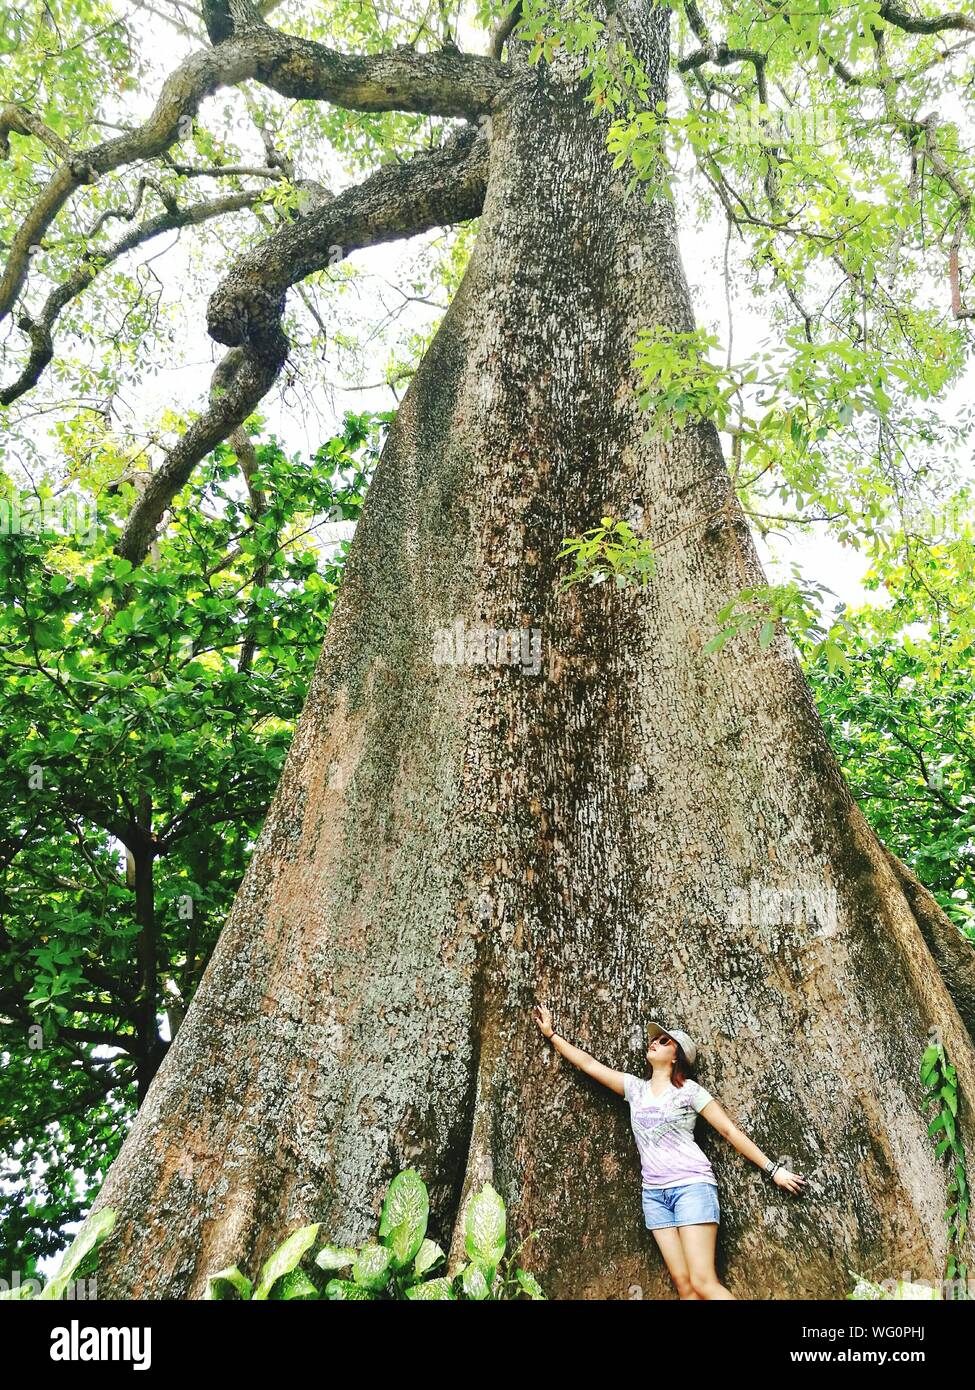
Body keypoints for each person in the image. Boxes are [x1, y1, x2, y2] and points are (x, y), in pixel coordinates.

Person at [534, 1004, 806, 1299]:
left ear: (677, 1056)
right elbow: (589, 1065)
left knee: (704, 1284)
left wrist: (774, 1170)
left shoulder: (691, 1092)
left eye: (665, 1041)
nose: (655, 1041)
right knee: (686, 1289)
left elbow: (729, 1132)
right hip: (654, 1195)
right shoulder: (635, 1089)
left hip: (691, 1188)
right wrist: (552, 1035)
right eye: (654, 1039)